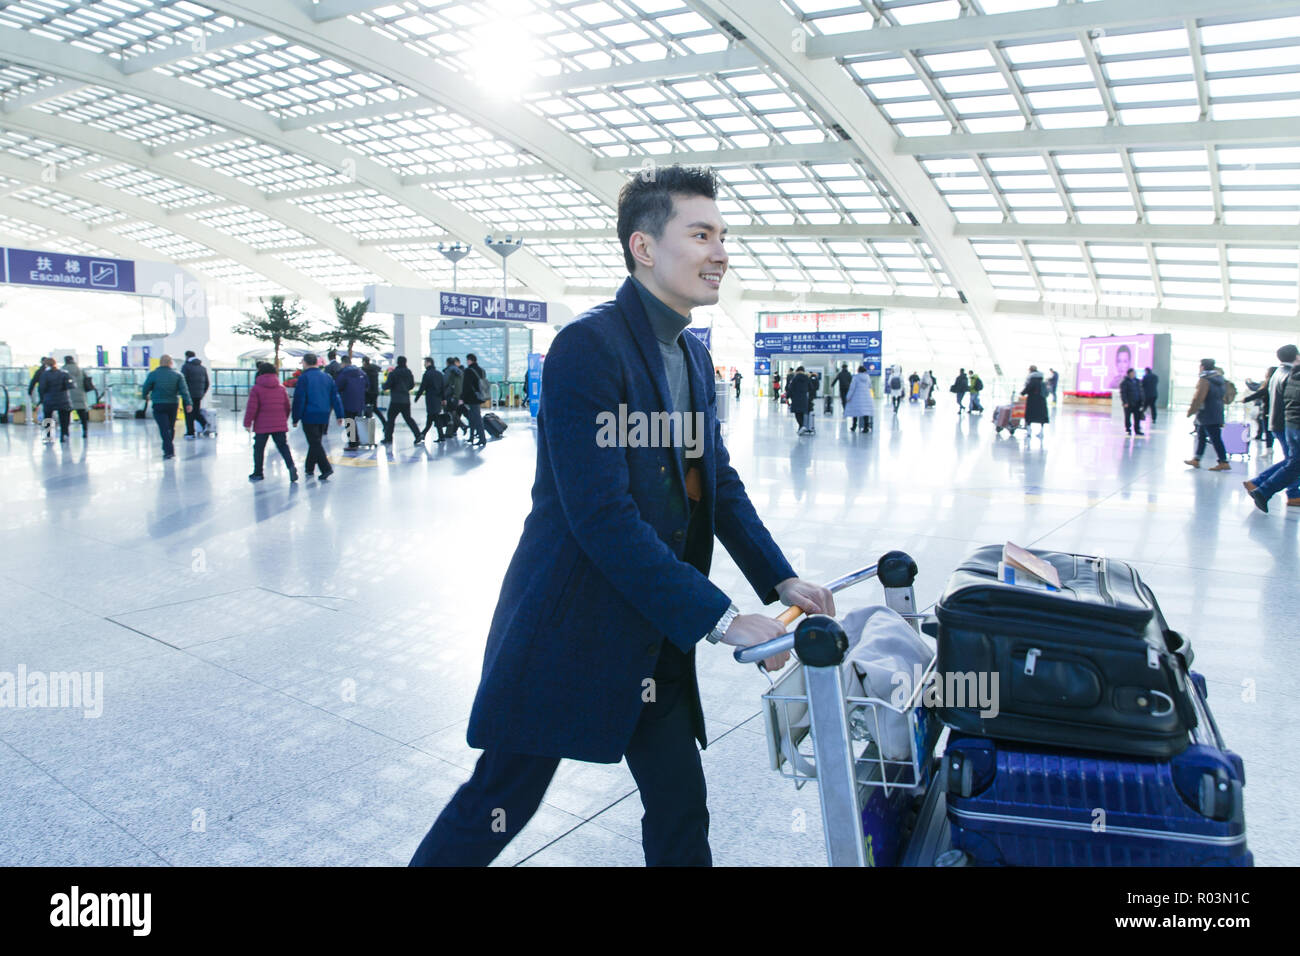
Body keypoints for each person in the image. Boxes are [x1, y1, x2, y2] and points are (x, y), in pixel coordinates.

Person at [408, 164, 833, 868]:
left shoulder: (690, 357)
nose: (720, 252)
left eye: (722, 235)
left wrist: (779, 580)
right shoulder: (589, 348)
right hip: (568, 631)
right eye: (701, 234)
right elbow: (601, 516)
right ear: (643, 246)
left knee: (679, 807)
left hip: (651, 634)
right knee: (499, 803)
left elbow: (714, 484)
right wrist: (723, 620)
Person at [1243, 345, 1300, 503]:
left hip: (1279, 421)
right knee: (1294, 461)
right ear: (1296, 356)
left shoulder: (1278, 372)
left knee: (1293, 460)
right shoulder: (1290, 374)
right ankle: (1292, 493)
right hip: (1287, 422)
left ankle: (1259, 484)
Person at [291, 352, 344, 480]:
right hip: (324, 414)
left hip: (309, 415)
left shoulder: (304, 378)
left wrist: (295, 417)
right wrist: (339, 414)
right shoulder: (327, 377)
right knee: (316, 441)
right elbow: (335, 397)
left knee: (314, 442)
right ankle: (309, 467)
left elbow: (300, 399)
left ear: (305, 362)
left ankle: (326, 468)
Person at [243, 362, 298, 482]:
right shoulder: (281, 388)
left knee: (259, 448)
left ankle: (258, 473)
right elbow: (287, 406)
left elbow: (252, 408)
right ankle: (291, 467)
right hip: (279, 424)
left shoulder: (256, 388)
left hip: (262, 425)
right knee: (283, 446)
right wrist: (284, 418)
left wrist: (247, 423)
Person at [140, 355, 193, 459]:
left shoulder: (153, 374)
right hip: (172, 404)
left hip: (158, 404)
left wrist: (145, 396)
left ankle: (168, 450)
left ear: (160, 363)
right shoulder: (178, 375)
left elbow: (145, 388)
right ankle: (168, 448)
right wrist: (188, 403)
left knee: (163, 428)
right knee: (170, 427)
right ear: (171, 363)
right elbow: (184, 391)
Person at [1184, 358, 1232, 472]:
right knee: (1201, 436)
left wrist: (1190, 411)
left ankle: (1223, 461)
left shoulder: (1204, 380)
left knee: (1215, 438)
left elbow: (1198, 397)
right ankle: (1197, 459)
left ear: (1203, 367)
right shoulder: (1219, 379)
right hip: (1216, 411)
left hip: (1207, 413)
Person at [381, 355, 422, 445]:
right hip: (405, 400)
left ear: (398, 362)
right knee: (408, 418)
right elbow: (411, 385)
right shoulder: (408, 372)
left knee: (391, 419)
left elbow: (387, 385)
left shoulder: (394, 373)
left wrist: (383, 386)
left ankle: (388, 438)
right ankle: (418, 435)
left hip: (395, 400)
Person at [36, 357, 73, 442]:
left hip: (49, 399)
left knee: (47, 418)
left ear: (46, 364)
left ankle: (47, 436)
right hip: (62, 399)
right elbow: (70, 386)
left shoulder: (44, 375)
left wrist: (42, 399)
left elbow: (41, 388)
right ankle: (64, 434)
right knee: (64, 418)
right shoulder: (63, 373)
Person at [335, 354, 368, 449]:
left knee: (349, 421)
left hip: (347, 401)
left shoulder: (343, 373)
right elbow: (367, 385)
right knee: (356, 421)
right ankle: (357, 440)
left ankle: (353, 443)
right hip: (360, 401)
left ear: (343, 363)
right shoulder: (361, 372)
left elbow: (337, 387)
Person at [413, 356, 446, 443]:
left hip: (431, 399)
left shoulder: (427, 374)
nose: (424, 365)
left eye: (425, 363)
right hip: (438, 399)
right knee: (432, 418)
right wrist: (443, 398)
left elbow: (422, 387)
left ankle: (424, 434)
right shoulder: (439, 374)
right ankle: (424, 434)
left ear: (429, 363)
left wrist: (417, 397)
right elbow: (443, 387)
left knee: (433, 417)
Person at [180, 350, 211, 438]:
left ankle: (190, 432)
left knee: (189, 413)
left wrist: (182, 393)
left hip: (188, 395)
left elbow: (182, 382)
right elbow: (207, 383)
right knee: (196, 411)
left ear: (187, 357)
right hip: (199, 395)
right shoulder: (202, 368)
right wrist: (202, 393)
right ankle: (204, 423)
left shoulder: (186, 367)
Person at [461, 353, 489, 447]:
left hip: (471, 397)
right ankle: (472, 437)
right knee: (472, 417)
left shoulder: (468, 371)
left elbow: (466, 386)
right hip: (480, 396)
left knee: (476, 418)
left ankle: (482, 438)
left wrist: (463, 398)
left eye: (467, 360)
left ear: (470, 360)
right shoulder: (481, 370)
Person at [62, 355, 91, 440]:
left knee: (65, 416)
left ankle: (66, 433)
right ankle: (85, 430)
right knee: (82, 415)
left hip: (67, 396)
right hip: (80, 395)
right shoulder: (80, 370)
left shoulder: (63, 371)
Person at [844, 363, 874, 433]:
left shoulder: (855, 378)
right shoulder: (868, 377)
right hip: (866, 397)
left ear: (858, 371)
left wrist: (848, 397)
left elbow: (852, 388)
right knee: (866, 412)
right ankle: (866, 427)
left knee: (855, 412)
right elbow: (870, 386)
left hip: (856, 397)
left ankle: (854, 426)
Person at [1021, 365, 1049, 437]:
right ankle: (1041, 432)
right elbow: (1047, 391)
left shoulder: (1032, 379)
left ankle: (1029, 431)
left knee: (1030, 416)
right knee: (1042, 417)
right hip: (1042, 401)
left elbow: (1028, 388)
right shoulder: (1042, 380)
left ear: (1030, 370)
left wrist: (1022, 393)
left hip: (1033, 401)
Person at [442, 357, 465, 436]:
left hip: (450, 395)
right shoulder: (460, 371)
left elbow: (444, 382)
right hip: (458, 395)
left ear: (447, 363)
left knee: (450, 413)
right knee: (452, 413)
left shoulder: (449, 370)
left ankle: (462, 426)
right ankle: (451, 432)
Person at [787, 365, 813, 435]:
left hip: (796, 398)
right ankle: (800, 428)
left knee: (797, 413)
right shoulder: (806, 378)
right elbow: (811, 387)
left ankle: (801, 426)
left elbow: (791, 388)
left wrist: (787, 396)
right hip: (804, 398)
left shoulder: (795, 378)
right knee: (802, 413)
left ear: (797, 371)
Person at [1119, 367, 1145, 436]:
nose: (1134, 374)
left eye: (1134, 373)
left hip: (1137, 402)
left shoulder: (1137, 381)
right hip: (1129, 403)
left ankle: (1137, 430)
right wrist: (1125, 402)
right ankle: (1128, 429)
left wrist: (1142, 400)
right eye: (1132, 373)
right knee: (1127, 417)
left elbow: (1141, 391)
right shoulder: (1125, 382)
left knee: (1137, 417)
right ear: (1129, 374)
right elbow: (1123, 393)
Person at [361, 356, 383, 424]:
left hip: (368, 392)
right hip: (375, 391)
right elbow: (380, 369)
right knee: (374, 408)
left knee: (367, 407)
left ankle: (366, 423)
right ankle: (384, 422)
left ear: (364, 362)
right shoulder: (374, 368)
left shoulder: (364, 370)